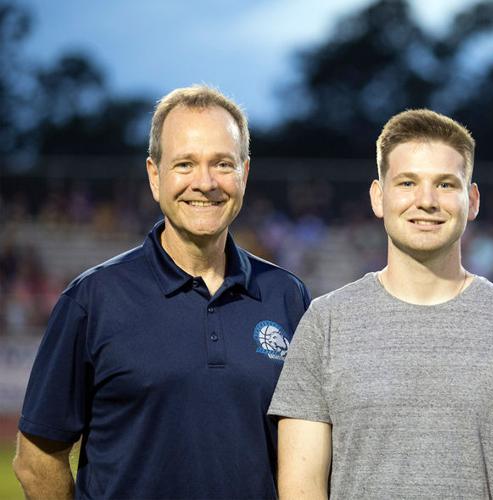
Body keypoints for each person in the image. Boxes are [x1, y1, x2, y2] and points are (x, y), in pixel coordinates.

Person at [13, 85, 310, 499]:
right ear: (155, 176)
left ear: (244, 173)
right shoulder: (92, 300)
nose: (205, 183)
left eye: (222, 164)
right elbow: (36, 460)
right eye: (185, 164)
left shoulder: (288, 297)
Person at [268, 109, 493, 499]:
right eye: (407, 182)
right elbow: (302, 487)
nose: (426, 201)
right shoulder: (325, 323)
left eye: (445, 184)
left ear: (472, 200)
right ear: (378, 197)